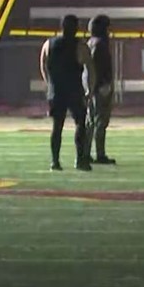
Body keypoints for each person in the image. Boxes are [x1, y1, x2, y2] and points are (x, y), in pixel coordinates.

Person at [40, 15, 94, 171]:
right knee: (80, 125)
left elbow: (43, 64)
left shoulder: (48, 44)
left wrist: (50, 83)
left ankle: (55, 162)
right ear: (76, 28)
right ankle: (80, 160)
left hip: (57, 91)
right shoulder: (80, 45)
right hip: (74, 90)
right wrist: (89, 90)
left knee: (57, 127)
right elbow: (90, 68)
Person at [84, 14, 116, 165]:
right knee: (100, 121)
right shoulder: (100, 44)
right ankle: (99, 154)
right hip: (99, 87)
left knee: (91, 121)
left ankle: (85, 152)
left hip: (90, 87)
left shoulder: (90, 43)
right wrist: (102, 84)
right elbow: (97, 67)